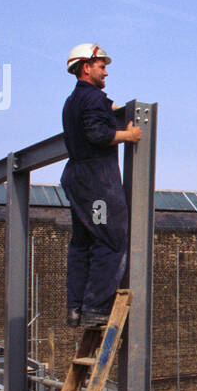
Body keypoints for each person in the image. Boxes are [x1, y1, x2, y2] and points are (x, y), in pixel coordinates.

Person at [61, 44, 142, 326]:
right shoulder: (92, 99)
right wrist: (128, 135)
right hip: (97, 180)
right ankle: (96, 309)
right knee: (109, 239)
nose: (106, 71)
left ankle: (76, 309)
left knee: (83, 243)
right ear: (86, 67)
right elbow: (97, 133)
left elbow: (98, 113)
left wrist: (114, 109)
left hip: (77, 177)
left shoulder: (74, 100)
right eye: (101, 66)